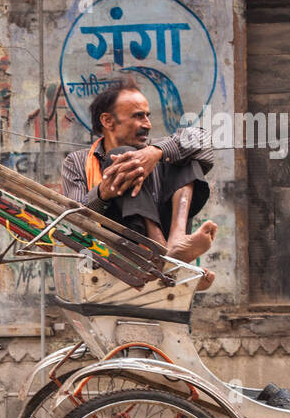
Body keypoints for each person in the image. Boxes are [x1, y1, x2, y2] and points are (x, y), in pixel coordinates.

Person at [60, 80, 218, 289]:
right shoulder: (76, 162)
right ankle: (166, 259)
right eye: (138, 116)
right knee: (122, 158)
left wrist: (156, 152)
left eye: (147, 116)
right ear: (108, 121)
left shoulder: (158, 150)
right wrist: (102, 194)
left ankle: (175, 243)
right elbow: (74, 222)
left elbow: (204, 141)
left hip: (169, 234)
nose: (147, 124)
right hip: (115, 251)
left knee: (182, 154)